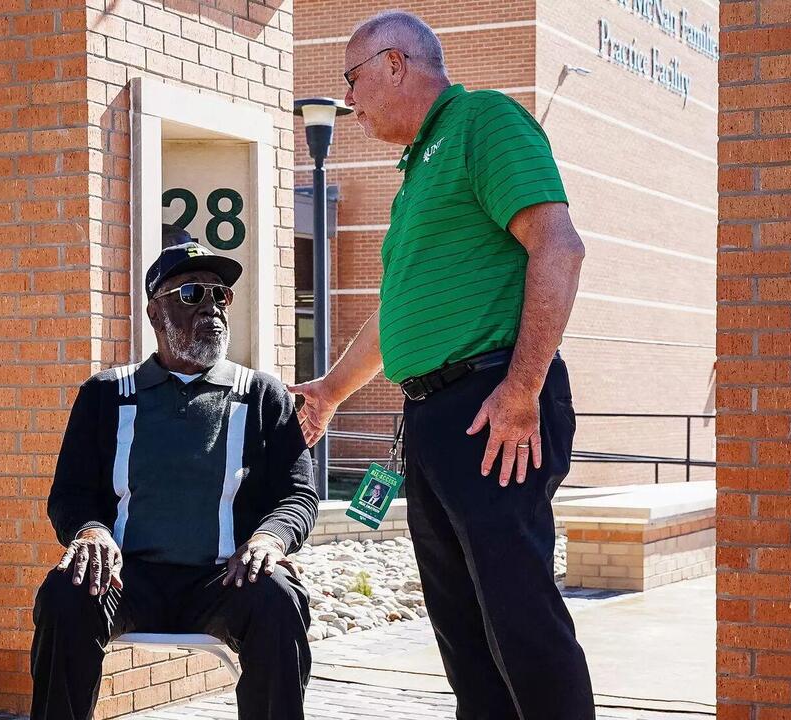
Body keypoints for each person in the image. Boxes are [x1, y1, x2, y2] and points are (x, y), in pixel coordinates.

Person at [290, 11, 595, 720]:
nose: (350, 102)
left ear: (395, 64)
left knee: (518, 616)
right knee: (462, 631)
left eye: (352, 81)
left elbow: (559, 247)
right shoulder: (415, 173)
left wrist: (523, 388)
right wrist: (333, 389)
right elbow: (399, 313)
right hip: (432, 417)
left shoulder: (483, 121)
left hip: (492, 404)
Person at [31, 229, 318, 720]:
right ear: (155, 313)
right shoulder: (105, 395)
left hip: (224, 578)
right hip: (126, 579)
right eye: (191, 293)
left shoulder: (263, 396)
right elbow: (70, 494)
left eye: (219, 294)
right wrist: (91, 530)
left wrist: (270, 539)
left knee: (278, 597)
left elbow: (297, 494)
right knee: (65, 593)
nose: (212, 306)